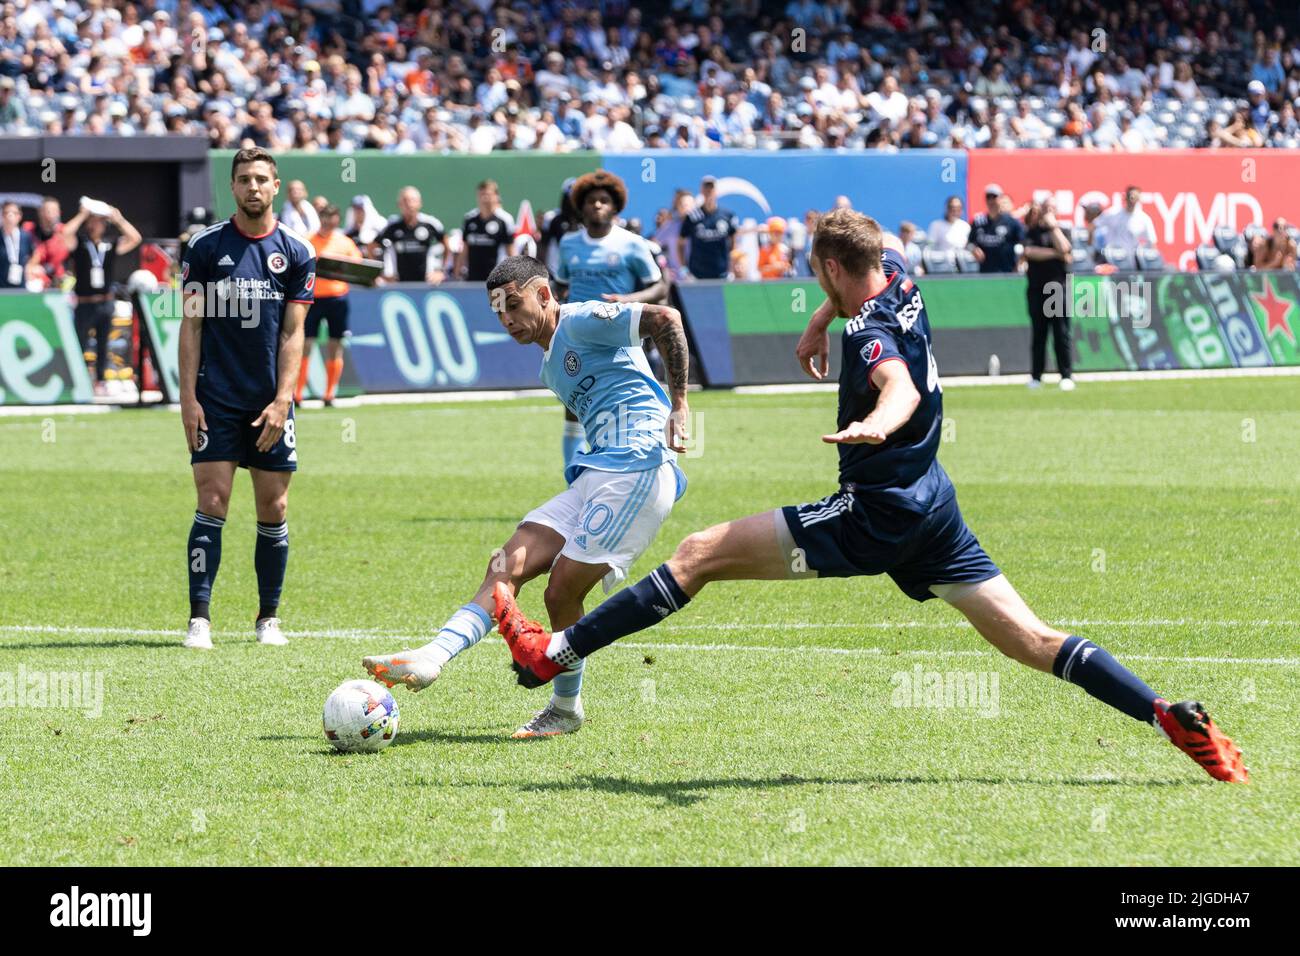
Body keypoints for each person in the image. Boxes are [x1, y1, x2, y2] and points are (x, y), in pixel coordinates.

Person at [495, 208, 1247, 786]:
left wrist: (871, 425)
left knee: (697, 555)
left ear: (827, 265)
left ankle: (554, 650)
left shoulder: (876, 332)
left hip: (875, 511)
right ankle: (1164, 714)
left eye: (816, 280)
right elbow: (866, 274)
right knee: (1033, 640)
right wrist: (822, 319)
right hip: (936, 508)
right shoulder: (900, 279)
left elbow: (900, 386)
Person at [362, 255, 691, 739]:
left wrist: (680, 405)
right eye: (499, 314)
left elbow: (667, 319)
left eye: (514, 306)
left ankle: (564, 707)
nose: (508, 320)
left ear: (543, 294)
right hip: (596, 472)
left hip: (639, 465)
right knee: (506, 565)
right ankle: (432, 657)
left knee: (561, 590)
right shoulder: (549, 364)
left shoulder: (580, 320)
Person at [178, 147, 316, 650]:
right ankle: (199, 619)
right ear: (231, 187)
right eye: (243, 179)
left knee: (273, 508)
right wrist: (188, 399)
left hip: (269, 403)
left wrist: (283, 399)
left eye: (261, 179)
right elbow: (190, 326)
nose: (253, 187)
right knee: (212, 500)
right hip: (215, 398)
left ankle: (269, 619)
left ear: (275, 185)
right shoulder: (206, 248)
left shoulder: (297, 251)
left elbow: (293, 335)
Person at [554, 170, 669, 508]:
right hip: (577, 337)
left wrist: (631, 300)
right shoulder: (568, 244)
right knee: (574, 409)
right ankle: (573, 479)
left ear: (615, 206)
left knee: (629, 406)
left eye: (604, 201)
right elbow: (560, 285)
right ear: (582, 208)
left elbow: (660, 286)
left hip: (621, 338)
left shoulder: (631, 243)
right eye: (591, 202)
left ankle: (636, 475)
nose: (598, 206)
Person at [61, 199, 142, 394]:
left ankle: (101, 381)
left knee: (103, 344)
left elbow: (135, 238)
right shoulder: (80, 244)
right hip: (84, 303)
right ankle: (78, 382)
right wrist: (82, 214)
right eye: (94, 221)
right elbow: (65, 233)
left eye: (100, 221)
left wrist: (118, 219)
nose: (97, 224)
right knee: (79, 343)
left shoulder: (108, 245)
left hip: (105, 302)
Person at [298, 204, 361, 407]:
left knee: (336, 344)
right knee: (305, 344)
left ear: (337, 220)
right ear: (320, 218)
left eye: (332, 218)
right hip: (313, 298)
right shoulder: (308, 241)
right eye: (324, 217)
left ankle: (329, 393)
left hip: (337, 298)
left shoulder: (345, 242)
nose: (328, 222)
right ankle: (297, 394)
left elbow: (358, 267)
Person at [1022, 199, 1074, 391]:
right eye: (1046, 209)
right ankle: (1036, 376)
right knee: (1039, 335)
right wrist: (1056, 254)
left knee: (1061, 334)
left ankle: (1066, 375)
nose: (1048, 213)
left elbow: (1065, 248)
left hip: (1058, 289)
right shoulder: (1032, 232)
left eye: (1052, 209)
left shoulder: (1063, 231)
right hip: (1036, 289)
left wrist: (1053, 228)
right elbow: (1030, 252)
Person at [370, 186, 445, 284]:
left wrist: (440, 271)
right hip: (401, 284)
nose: (409, 204)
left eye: (413, 200)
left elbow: (446, 244)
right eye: (405, 201)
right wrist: (382, 274)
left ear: (420, 203)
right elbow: (371, 246)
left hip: (427, 283)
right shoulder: (393, 226)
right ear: (399, 204)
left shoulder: (430, 224)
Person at [678, 176, 739, 279]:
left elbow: (733, 242)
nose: (708, 191)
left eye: (711, 188)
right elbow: (680, 243)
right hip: (697, 274)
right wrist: (684, 267)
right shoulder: (693, 216)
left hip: (721, 273)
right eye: (706, 188)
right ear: (701, 191)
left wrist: (731, 267)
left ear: (716, 191)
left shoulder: (727, 215)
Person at [457, 179, 515, 281]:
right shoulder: (469, 219)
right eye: (481, 194)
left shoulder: (505, 220)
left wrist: (514, 275)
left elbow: (510, 251)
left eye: (488, 195)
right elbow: (464, 249)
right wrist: (457, 271)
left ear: (496, 196)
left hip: (497, 279)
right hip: (472, 278)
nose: (484, 198)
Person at [968, 184, 1025, 273]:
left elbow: (1024, 243)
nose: (991, 200)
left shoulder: (1012, 222)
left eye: (994, 197)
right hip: (984, 272)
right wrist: (974, 249)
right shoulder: (978, 222)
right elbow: (969, 243)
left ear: (1001, 198)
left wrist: (1020, 262)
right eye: (988, 197)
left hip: (1007, 272)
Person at [1094, 185, 1156, 254]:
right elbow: (1094, 224)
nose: (1132, 198)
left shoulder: (1144, 219)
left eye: (1135, 196)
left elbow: (1152, 242)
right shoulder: (1112, 213)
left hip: (1131, 261)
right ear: (1125, 197)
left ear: (1139, 199)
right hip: (1111, 258)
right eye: (1130, 196)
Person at [0, 201, 37, 290]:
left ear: (19, 216)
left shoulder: (26, 236)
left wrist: (30, 267)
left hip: (21, 285)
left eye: (14, 213)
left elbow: (33, 255)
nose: (10, 216)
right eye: (6, 213)